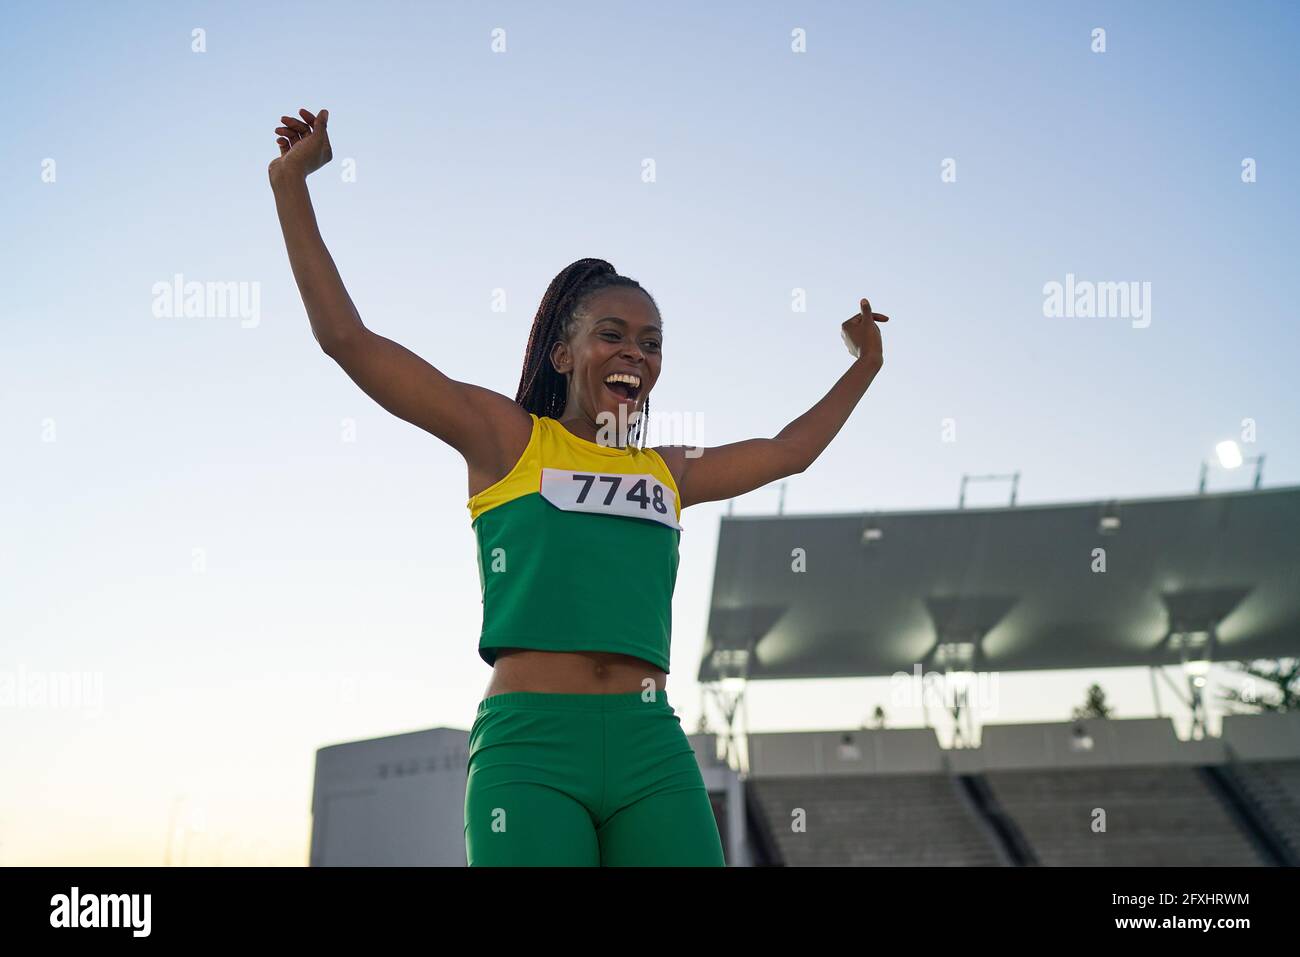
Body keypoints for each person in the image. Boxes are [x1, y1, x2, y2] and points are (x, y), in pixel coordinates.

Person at [268, 107, 889, 866]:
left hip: (651, 748)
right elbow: (348, 340)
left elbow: (791, 450)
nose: (636, 353)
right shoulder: (506, 439)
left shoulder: (668, 470)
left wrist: (864, 366)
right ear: (563, 352)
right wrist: (291, 182)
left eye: (652, 342)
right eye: (613, 334)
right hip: (531, 749)